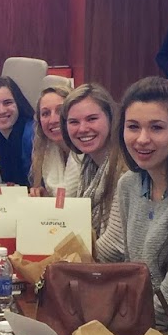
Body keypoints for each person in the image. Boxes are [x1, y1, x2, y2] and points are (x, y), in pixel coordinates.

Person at [94, 78, 168, 335]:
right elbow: (131, 268)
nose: (142, 139)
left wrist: (117, 325)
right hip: (138, 323)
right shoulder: (129, 184)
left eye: (156, 128)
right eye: (133, 127)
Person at [60, 83, 126, 254]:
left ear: (111, 119)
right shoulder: (87, 163)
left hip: (116, 270)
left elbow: (115, 246)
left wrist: (65, 262)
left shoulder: (126, 168)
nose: (82, 129)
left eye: (92, 119)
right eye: (74, 122)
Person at [28, 85, 70, 193]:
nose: (53, 120)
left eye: (60, 111)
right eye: (45, 113)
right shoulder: (46, 151)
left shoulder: (87, 155)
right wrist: (45, 197)